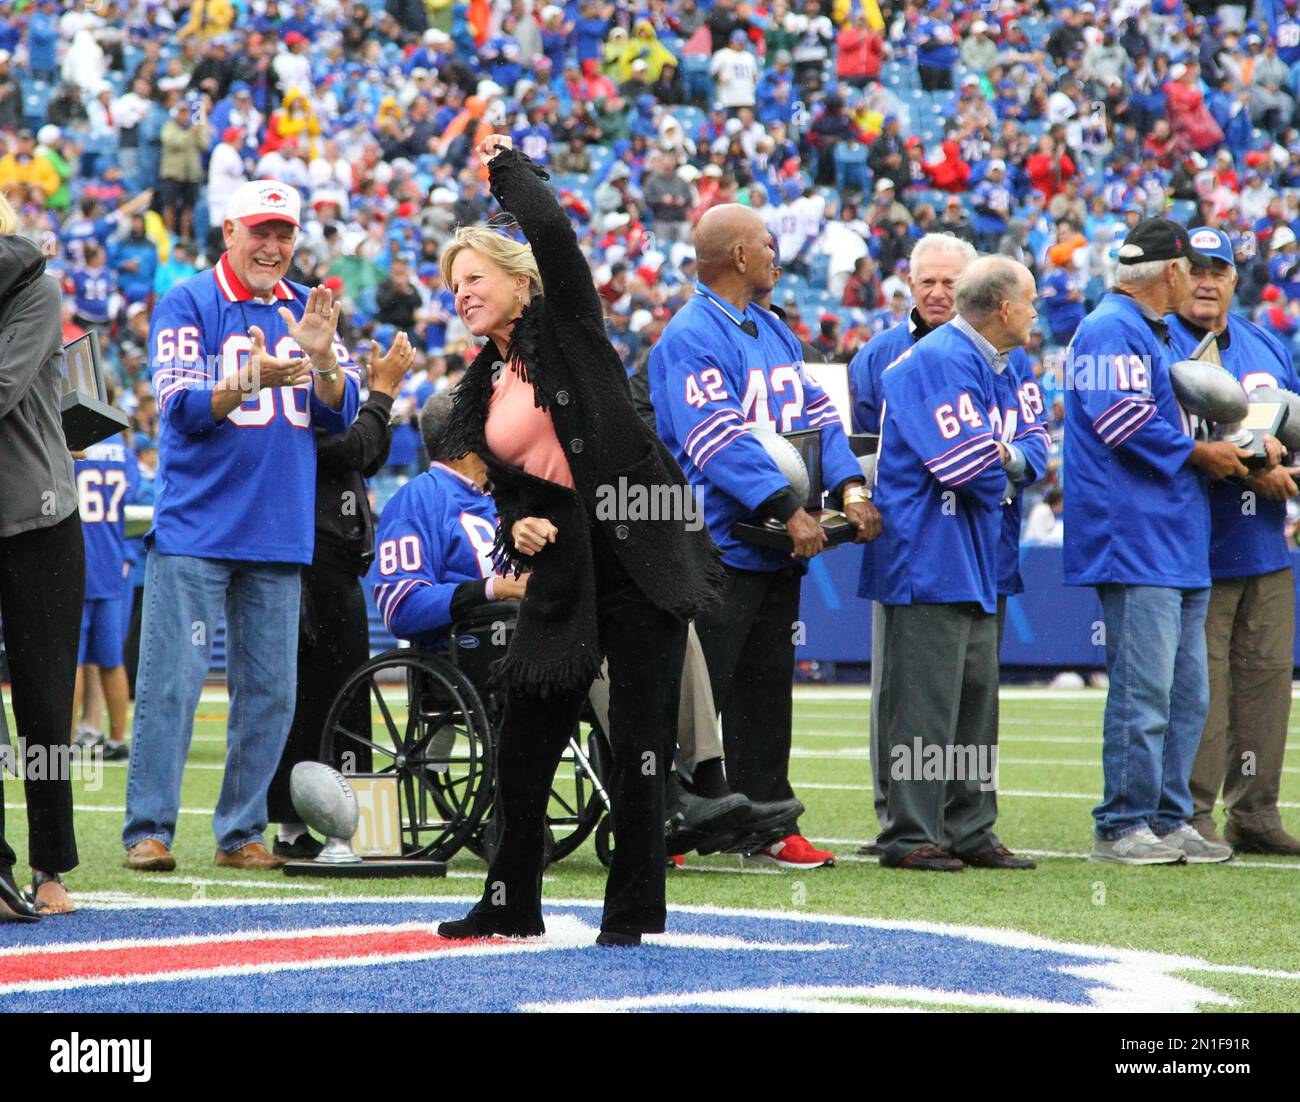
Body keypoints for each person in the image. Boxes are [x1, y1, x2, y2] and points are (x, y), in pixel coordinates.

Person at [435, 136, 721, 947]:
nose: (461, 295)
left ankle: (631, 913)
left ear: (520, 283)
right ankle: (508, 900)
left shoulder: (567, 325)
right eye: (453, 286)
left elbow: (555, 236)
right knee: (525, 734)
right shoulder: (482, 383)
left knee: (637, 742)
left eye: (474, 279)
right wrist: (515, 524)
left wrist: (506, 171)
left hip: (637, 549)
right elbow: (517, 483)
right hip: (565, 565)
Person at [122, 179, 360, 873]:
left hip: (278, 531)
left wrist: (320, 359)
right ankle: (149, 829)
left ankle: (241, 832)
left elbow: (338, 418)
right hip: (197, 527)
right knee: (172, 682)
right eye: (260, 230)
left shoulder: (306, 307)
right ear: (229, 231)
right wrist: (250, 378)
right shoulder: (189, 301)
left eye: (284, 232)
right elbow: (181, 407)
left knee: (270, 692)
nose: (273, 245)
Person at [649, 203, 881, 870]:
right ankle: (667, 817)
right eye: (767, 246)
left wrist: (848, 489)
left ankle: (767, 820)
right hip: (719, 542)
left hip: (774, 543)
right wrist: (788, 505)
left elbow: (818, 419)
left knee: (766, 688)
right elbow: (712, 438)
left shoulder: (775, 332)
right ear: (740, 258)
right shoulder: (690, 335)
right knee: (700, 692)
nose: (778, 257)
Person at [1063, 218, 1247, 865]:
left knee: (1185, 693)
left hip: (1176, 539)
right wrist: (1204, 452)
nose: (1194, 282)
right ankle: (1120, 825)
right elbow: (1120, 420)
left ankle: (1168, 820)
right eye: (1188, 270)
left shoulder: (1149, 330)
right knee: (1144, 693)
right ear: (1170, 272)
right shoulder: (1111, 326)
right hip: (1135, 536)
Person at [864, 257, 1043, 872]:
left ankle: (970, 826)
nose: (1036, 311)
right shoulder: (939, 358)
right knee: (924, 707)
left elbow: (1040, 444)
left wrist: (1009, 460)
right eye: (1030, 300)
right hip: (928, 552)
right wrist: (1008, 464)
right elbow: (966, 466)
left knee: (974, 705)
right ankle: (910, 833)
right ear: (1001, 307)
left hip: (979, 554)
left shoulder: (1004, 361)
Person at [1168, 228, 1300, 856]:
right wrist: (1256, 467)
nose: (1207, 282)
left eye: (1218, 271)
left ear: (1233, 280)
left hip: (1266, 544)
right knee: (1204, 690)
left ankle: (1255, 811)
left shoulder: (1265, 345)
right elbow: (1171, 440)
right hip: (1199, 546)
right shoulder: (1161, 342)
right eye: (1195, 269)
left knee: (1266, 683)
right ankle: (1192, 812)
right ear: (1175, 274)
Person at [268, 331, 415, 858]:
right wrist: (382, 396)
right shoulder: (291, 409)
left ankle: (351, 821)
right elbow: (352, 446)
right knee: (316, 693)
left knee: (342, 691)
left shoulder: (327, 399)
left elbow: (365, 459)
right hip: (311, 560)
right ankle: (293, 823)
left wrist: (377, 402)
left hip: (333, 560)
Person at [0, 194, 83, 920]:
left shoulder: (36, 288)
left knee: (44, 704)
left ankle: (51, 866)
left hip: (39, 519)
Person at [72, 432, 141, 762]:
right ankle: (116, 739)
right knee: (112, 661)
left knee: (73, 661)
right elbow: (134, 496)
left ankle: (67, 739)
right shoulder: (122, 450)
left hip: (74, 562)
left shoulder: (72, 439)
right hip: (112, 564)